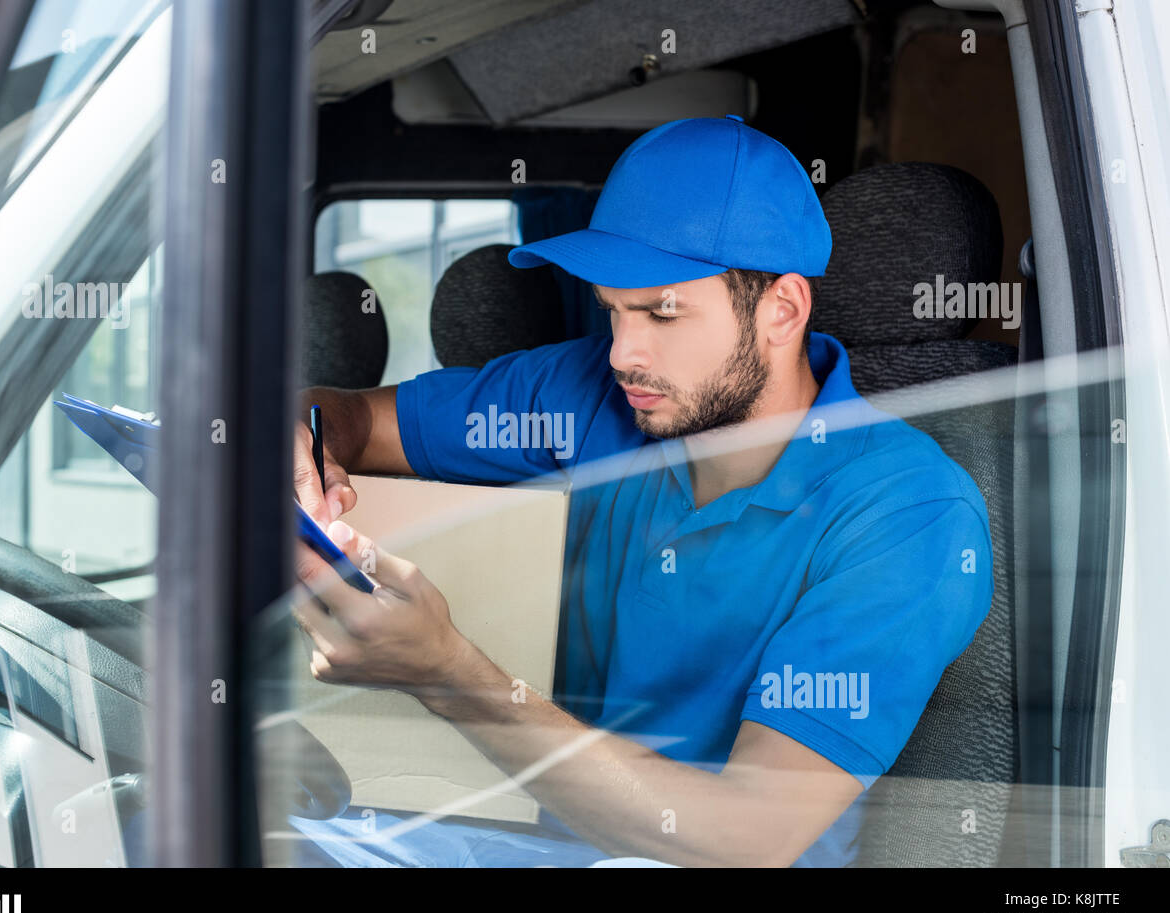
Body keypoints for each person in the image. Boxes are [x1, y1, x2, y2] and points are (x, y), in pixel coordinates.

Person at [288, 115, 994, 867]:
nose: (624, 352)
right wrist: (303, 439)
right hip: (518, 835)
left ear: (781, 311)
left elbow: (745, 837)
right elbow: (357, 418)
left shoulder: (907, 511)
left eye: (662, 310)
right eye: (611, 308)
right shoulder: (592, 391)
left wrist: (448, 673)